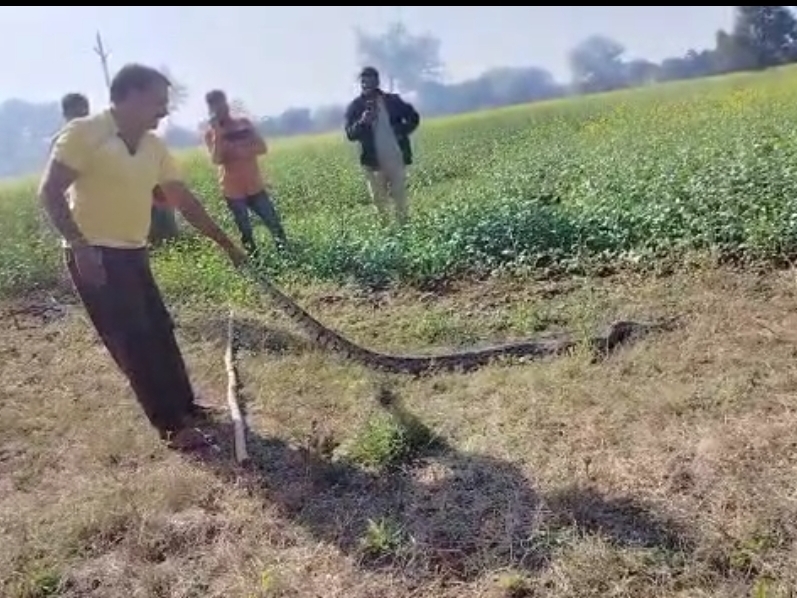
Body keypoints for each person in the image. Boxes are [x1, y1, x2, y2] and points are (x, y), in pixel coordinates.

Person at [37, 63, 248, 451]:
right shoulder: (85, 133)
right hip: (96, 255)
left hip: (133, 252)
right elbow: (49, 192)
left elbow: (184, 201)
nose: (164, 112)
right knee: (132, 340)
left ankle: (185, 406)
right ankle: (169, 425)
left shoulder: (153, 147)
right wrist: (80, 246)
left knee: (159, 330)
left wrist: (226, 243)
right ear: (131, 96)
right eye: (158, 102)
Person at [203, 89, 288, 256]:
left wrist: (237, 151)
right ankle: (256, 263)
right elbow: (217, 159)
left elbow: (262, 147)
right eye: (215, 106)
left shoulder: (244, 124)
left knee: (274, 224)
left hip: (255, 186)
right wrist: (218, 135)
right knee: (246, 232)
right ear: (210, 109)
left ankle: (286, 256)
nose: (221, 109)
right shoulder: (210, 134)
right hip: (232, 190)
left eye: (222, 103)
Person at [344, 66, 421, 226]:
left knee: (400, 199)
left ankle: (404, 228)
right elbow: (350, 134)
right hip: (373, 162)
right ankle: (386, 232)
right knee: (380, 203)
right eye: (364, 82)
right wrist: (362, 122)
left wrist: (401, 131)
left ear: (377, 81)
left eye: (370, 81)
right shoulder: (356, 107)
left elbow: (413, 117)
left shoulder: (393, 101)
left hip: (395, 157)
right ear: (361, 84)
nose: (367, 85)